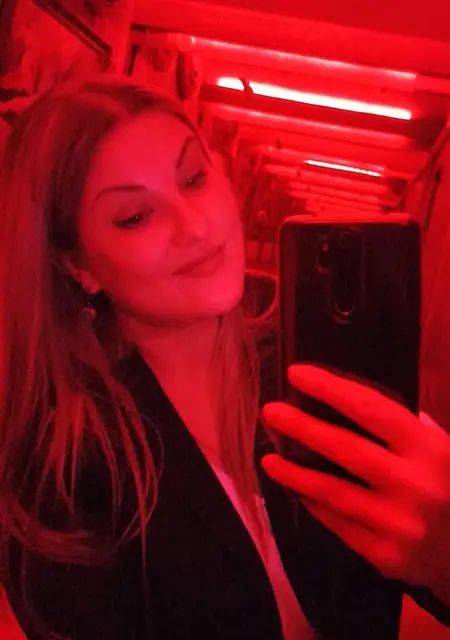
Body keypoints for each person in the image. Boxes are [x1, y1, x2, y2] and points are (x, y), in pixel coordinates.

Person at [0, 76, 449, 640]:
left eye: (194, 178)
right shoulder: (63, 476)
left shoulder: (309, 359)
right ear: (78, 267)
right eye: (135, 216)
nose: (196, 226)